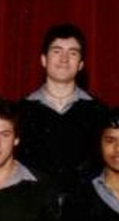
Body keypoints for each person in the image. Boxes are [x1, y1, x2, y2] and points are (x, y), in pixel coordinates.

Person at [18, 23, 109, 191]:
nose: (64, 59)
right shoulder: (20, 112)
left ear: (81, 64)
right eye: (57, 51)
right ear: (43, 60)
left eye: (72, 53)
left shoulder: (100, 113)